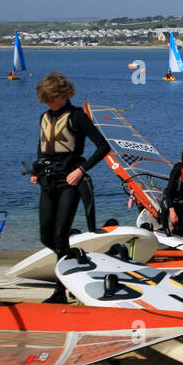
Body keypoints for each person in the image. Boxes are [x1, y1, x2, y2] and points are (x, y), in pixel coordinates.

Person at [31, 71, 111, 303]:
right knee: (47, 236)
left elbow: (103, 147)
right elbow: (42, 146)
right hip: (47, 181)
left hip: (70, 182)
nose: (47, 102)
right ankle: (75, 256)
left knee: (60, 235)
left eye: (50, 98)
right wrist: (36, 170)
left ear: (62, 95)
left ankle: (60, 292)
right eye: (44, 99)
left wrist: (81, 170)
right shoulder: (44, 117)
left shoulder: (77, 117)